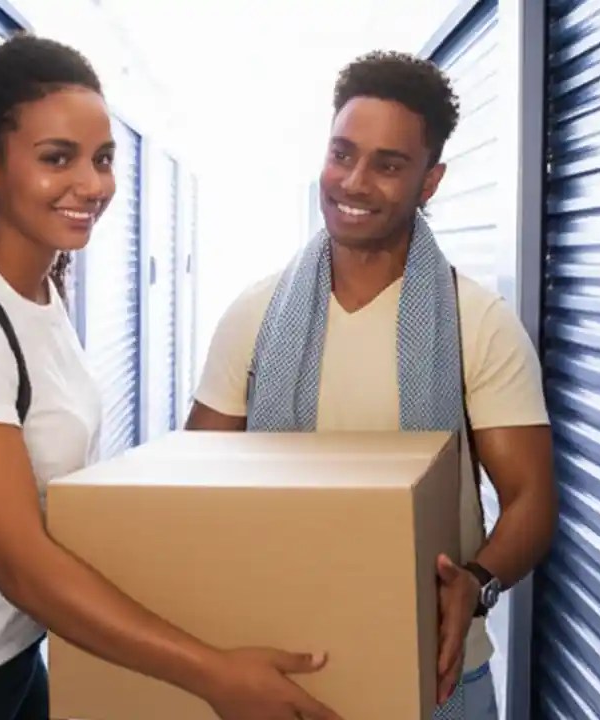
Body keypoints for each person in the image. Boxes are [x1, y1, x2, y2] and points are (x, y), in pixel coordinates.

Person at [0, 32, 341, 720]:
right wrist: (212, 674)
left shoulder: (39, 294)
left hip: (15, 653)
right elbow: (21, 563)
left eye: (103, 159)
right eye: (58, 159)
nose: (92, 185)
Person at [186, 50, 558, 719]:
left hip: (437, 674)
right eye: (342, 153)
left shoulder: (477, 323)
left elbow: (531, 498)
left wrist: (473, 584)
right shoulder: (256, 315)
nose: (354, 181)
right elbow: (194, 484)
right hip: (284, 670)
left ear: (430, 180)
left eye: (388, 165)